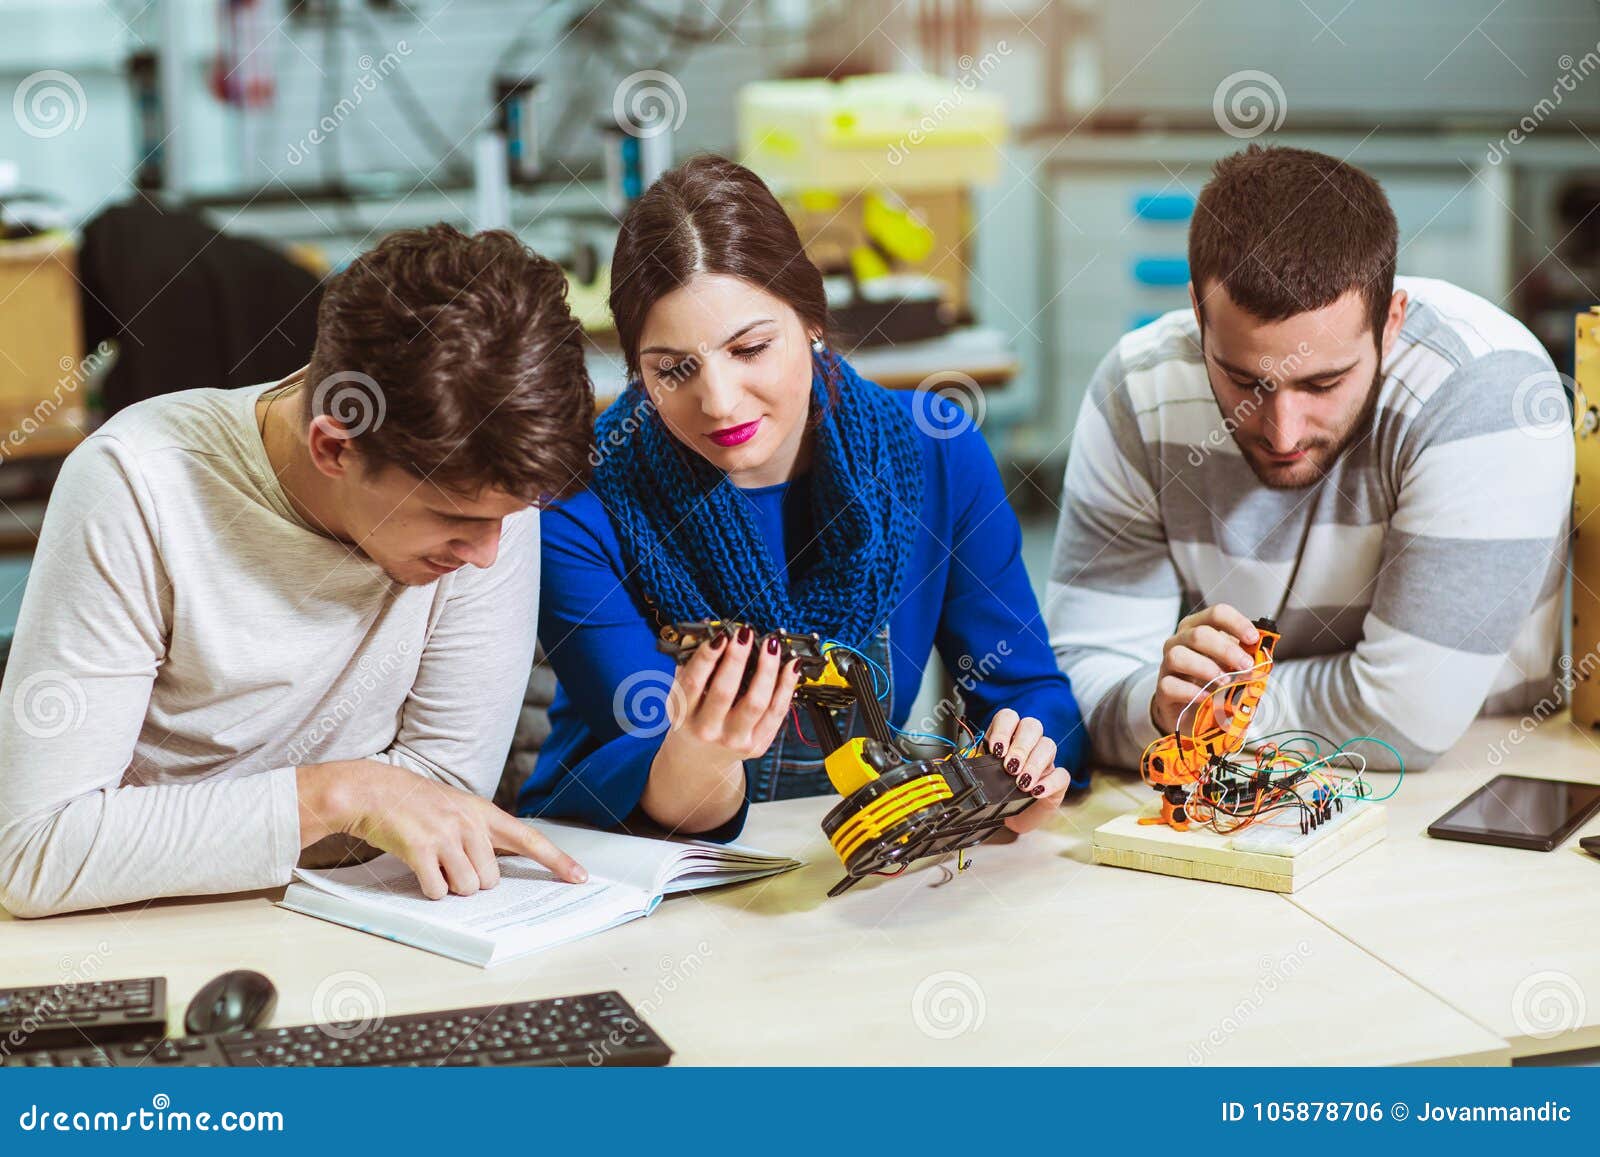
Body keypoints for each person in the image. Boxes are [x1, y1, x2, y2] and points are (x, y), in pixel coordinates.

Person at [0, 225, 595, 917]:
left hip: (366, 919)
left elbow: (444, 799)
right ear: (333, 448)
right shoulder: (137, 485)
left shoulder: (487, 487)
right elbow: (40, 853)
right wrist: (341, 794)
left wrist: (175, 831)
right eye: (453, 520)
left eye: (509, 518)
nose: (487, 554)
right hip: (145, 929)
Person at [519, 154, 1087, 840]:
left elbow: (1030, 693)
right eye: (673, 370)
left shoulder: (936, 453)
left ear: (812, 320)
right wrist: (704, 747)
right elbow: (660, 775)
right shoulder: (581, 506)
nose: (719, 401)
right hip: (631, 861)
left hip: (848, 861)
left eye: (751, 348)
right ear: (635, 366)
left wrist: (1024, 760)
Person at [1047, 144, 1571, 770]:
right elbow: (1081, 682)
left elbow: (1402, 721)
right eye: (1244, 380)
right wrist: (1159, 711)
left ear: (1391, 323)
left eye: (1322, 384)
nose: (1281, 432)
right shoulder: (1137, 391)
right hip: (1235, 792)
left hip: (1480, 773)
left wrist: (1202, 713)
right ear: (1197, 313)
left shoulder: (1490, 392)